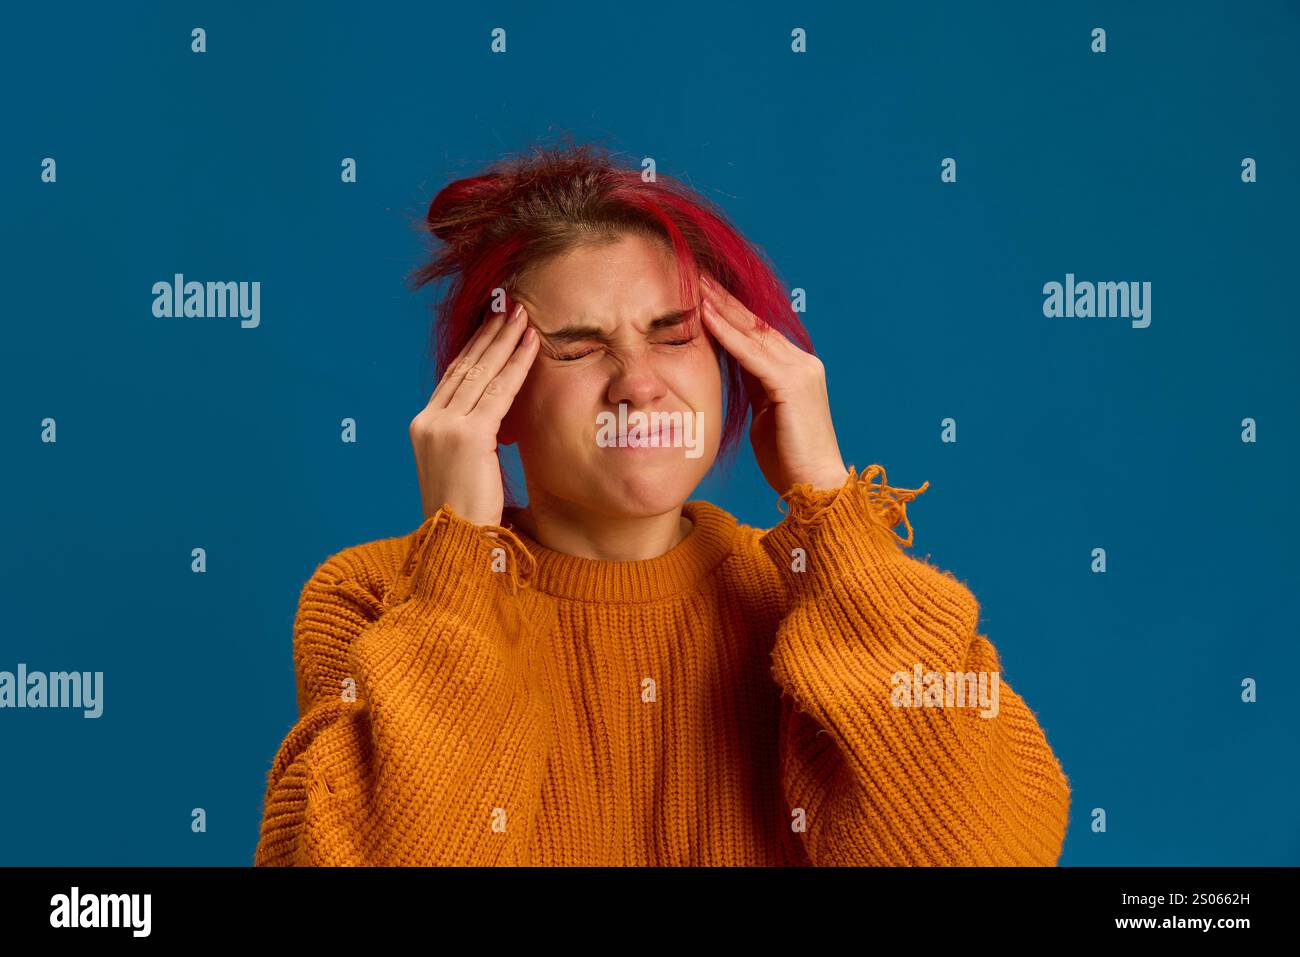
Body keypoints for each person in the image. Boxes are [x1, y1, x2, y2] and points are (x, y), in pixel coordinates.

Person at [253, 142, 1071, 866]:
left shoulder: (813, 596)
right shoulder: (372, 600)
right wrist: (459, 563)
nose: (639, 384)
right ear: (489, 397)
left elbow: (982, 850)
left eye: (674, 335)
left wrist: (835, 515)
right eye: (576, 347)